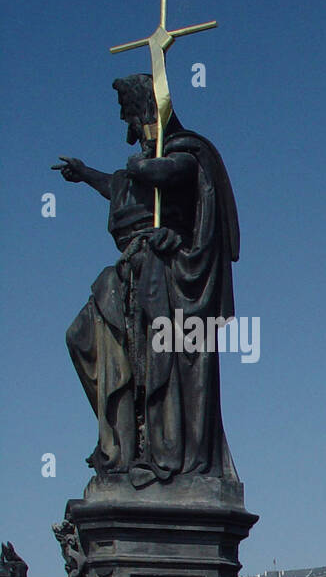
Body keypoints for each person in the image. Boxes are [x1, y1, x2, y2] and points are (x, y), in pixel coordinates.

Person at [54, 74, 240, 488]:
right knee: (81, 336)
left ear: (152, 117)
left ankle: (158, 450)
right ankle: (119, 443)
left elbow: (163, 173)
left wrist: (141, 164)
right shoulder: (140, 169)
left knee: (156, 361)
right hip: (127, 273)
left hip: (166, 276)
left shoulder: (189, 154)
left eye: (135, 122)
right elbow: (121, 186)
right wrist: (86, 175)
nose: (133, 133)